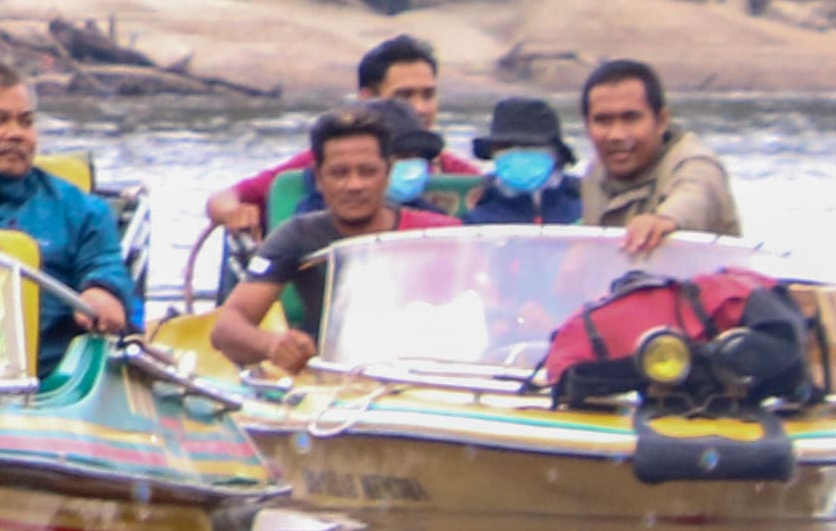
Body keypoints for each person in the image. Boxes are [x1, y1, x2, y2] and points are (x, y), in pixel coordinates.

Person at [209, 103, 456, 374]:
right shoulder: (298, 235)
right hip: (336, 380)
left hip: (434, 376)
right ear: (318, 179)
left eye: (367, 172)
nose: (354, 185)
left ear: (387, 172)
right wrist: (274, 345)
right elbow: (226, 326)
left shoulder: (439, 233)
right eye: (339, 173)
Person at [206, 32, 444, 245]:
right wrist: (237, 214)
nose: (419, 108)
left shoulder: (446, 166)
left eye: (428, 95)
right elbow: (223, 198)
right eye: (403, 97)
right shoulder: (329, 161)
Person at [0, 61, 133, 336]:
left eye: (26, 122)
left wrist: (103, 291)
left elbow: (105, 265)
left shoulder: (84, 211)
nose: (15, 133)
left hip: (49, 369)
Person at [583, 58, 741, 256]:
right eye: (603, 121)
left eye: (631, 118)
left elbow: (697, 193)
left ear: (661, 121)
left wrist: (665, 219)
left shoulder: (694, 162)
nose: (617, 135)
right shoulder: (595, 173)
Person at [459, 94, 586, 228]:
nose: (517, 153)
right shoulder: (475, 219)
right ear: (493, 152)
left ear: (555, 154)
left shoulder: (586, 209)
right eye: (506, 146)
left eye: (530, 146)